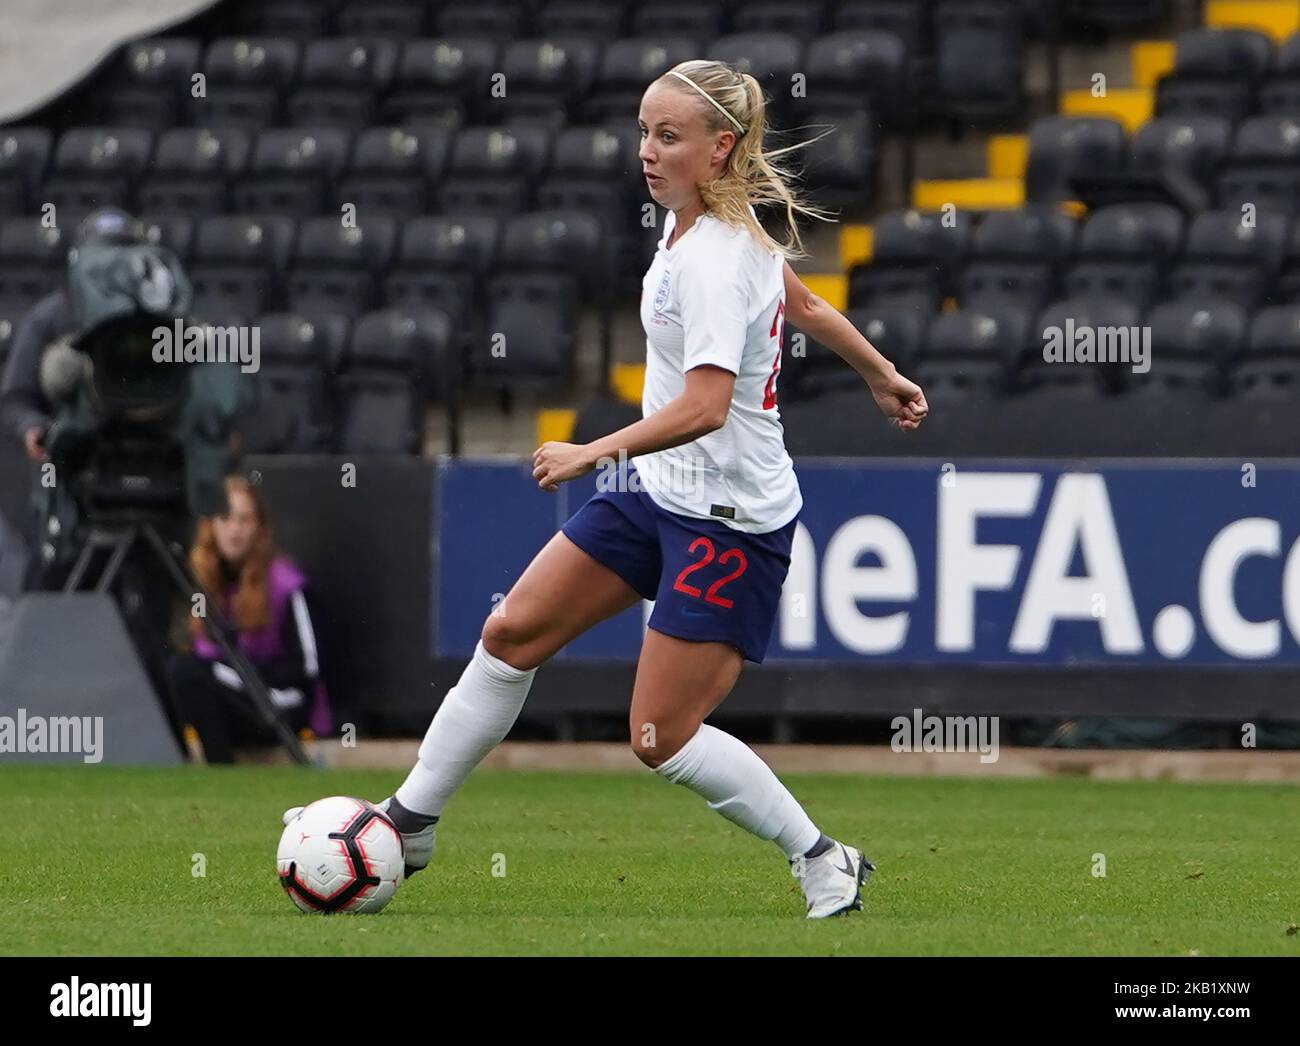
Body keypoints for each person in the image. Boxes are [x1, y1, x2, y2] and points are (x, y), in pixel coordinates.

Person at [288, 60, 929, 918]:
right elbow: (804, 305)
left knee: (659, 738)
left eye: (668, 136)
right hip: (659, 494)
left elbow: (705, 407)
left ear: (720, 149)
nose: (647, 151)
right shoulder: (701, 231)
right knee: (512, 632)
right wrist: (881, 373)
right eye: (643, 131)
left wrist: (596, 449)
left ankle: (822, 857)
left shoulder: (714, 257)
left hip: (729, 521)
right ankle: (409, 822)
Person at [172, 473, 332, 764]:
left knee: (191, 672)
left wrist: (230, 672)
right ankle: (214, 766)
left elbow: (307, 670)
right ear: (211, 525)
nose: (235, 530)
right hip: (233, 701)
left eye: (244, 520)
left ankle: (220, 768)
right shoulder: (202, 583)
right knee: (183, 673)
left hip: (281, 704)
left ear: (259, 527)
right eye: (226, 518)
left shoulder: (286, 585)